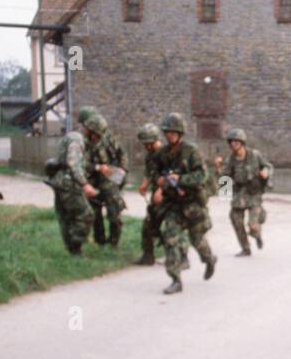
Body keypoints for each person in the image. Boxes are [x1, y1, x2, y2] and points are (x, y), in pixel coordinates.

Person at [152, 112, 216, 294]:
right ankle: (175, 279)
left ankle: (209, 259)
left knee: (197, 240)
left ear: (180, 133)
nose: (169, 135)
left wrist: (180, 178)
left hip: (193, 203)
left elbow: (202, 175)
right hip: (173, 204)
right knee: (170, 237)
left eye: (173, 132)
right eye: (167, 132)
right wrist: (159, 182)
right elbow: (154, 172)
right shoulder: (162, 154)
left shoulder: (191, 151)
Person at [136, 124, 191, 271]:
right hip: (157, 195)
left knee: (174, 226)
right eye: (144, 143)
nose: (145, 146)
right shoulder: (150, 156)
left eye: (147, 143)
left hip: (171, 194)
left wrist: (160, 189)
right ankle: (148, 256)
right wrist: (144, 184)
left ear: (154, 140)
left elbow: (169, 175)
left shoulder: (165, 153)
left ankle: (183, 257)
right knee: (148, 223)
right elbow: (151, 173)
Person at [46, 122, 96, 255]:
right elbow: (73, 163)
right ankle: (76, 246)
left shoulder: (72, 137)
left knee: (66, 217)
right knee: (86, 214)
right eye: (96, 134)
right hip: (68, 183)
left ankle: (72, 250)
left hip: (60, 181)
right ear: (90, 131)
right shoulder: (77, 140)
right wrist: (85, 184)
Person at [82, 110, 127, 248]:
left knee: (114, 212)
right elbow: (81, 164)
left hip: (111, 181)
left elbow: (122, 153)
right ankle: (100, 241)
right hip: (93, 181)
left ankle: (114, 242)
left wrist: (123, 170)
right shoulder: (84, 144)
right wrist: (98, 167)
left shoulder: (110, 139)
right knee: (94, 212)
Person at [225, 128, 273, 255]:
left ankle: (257, 234)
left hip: (253, 194)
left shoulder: (255, 155)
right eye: (231, 142)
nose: (233, 145)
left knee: (253, 226)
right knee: (235, 219)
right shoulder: (230, 160)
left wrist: (266, 172)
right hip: (239, 195)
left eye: (236, 142)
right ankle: (245, 248)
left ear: (242, 143)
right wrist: (219, 169)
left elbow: (268, 166)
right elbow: (225, 181)